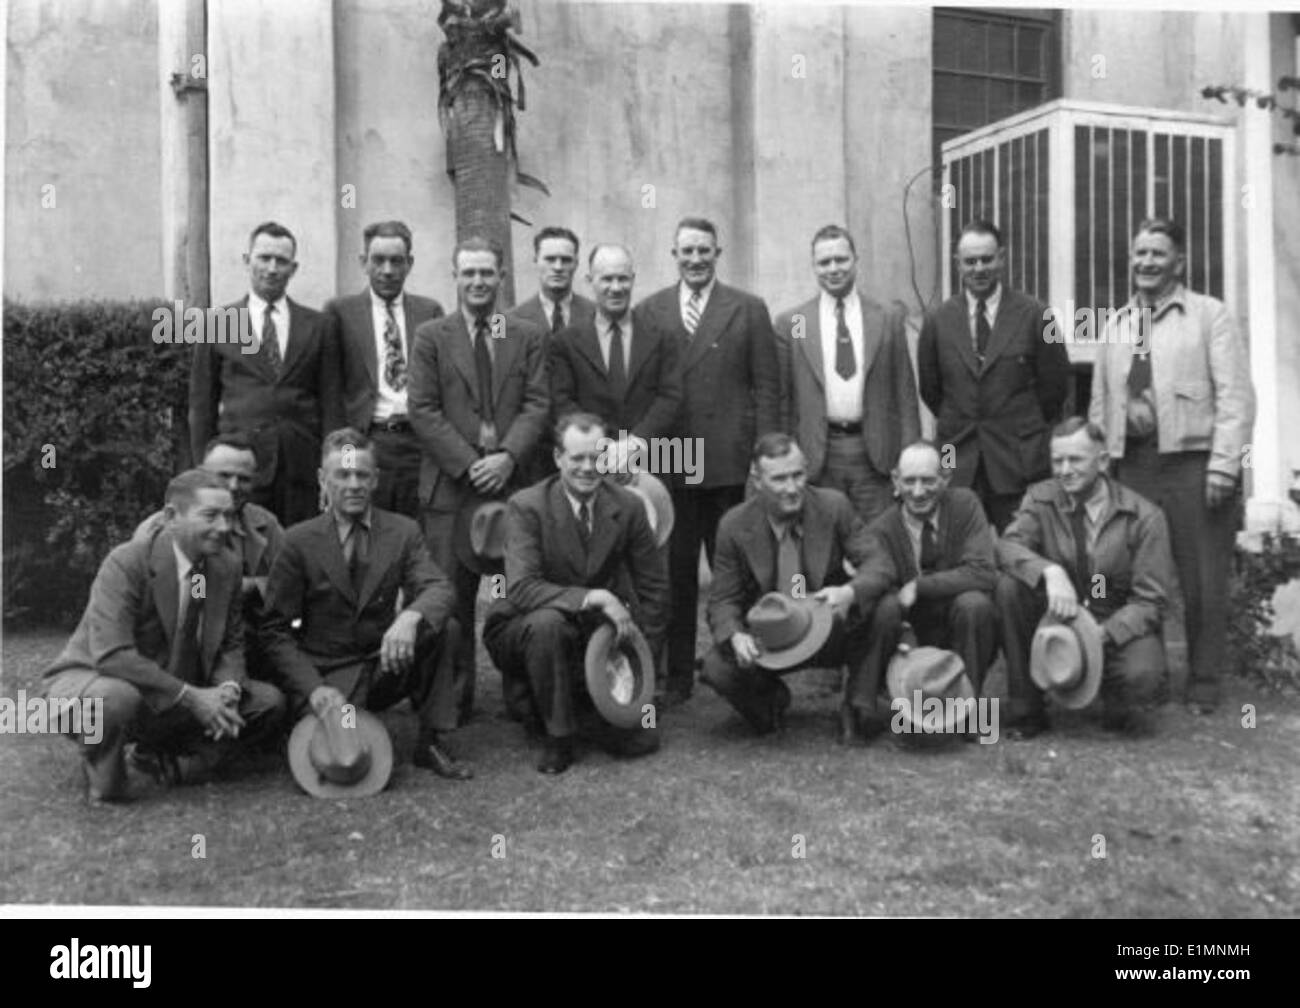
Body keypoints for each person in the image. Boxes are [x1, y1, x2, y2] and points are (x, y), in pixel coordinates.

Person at [1087, 217, 1255, 713]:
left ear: (1179, 262)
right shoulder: (1117, 323)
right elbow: (1100, 401)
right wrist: (1101, 470)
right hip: (1132, 467)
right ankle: (1150, 677)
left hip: (1193, 465)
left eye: (1157, 253)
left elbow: (1236, 398)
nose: (1146, 262)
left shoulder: (1209, 316)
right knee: (1140, 576)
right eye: (1139, 253)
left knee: (1202, 577)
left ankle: (1204, 683)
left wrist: (1225, 465)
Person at [43, 469, 285, 802]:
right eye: (211, 516)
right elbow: (113, 655)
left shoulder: (224, 567)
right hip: (94, 682)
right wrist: (192, 697)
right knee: (114, 700)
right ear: (173, 516)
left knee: (266, 702)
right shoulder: (127, 562)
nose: (224, 528)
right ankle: (105, 775)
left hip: (173, 691)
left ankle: (172, 762)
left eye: (228, 516)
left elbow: (230, 643)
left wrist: (227, 689)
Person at [260, 427, 471, 779]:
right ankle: (316, 725)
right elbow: (274, 631)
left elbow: (439, 587)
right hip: (327, 676)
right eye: (342, 475)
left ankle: (431, 741)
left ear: (375, 479)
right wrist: (313, 689)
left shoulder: (403, 531)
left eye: (362, 474)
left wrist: (410, 617)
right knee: (338, 751)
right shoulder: (298, 540)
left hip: (383, 666)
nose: (354, 484)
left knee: (443, 628)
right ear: (322, 479)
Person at [637, 216, 782, 707]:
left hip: (729, 462)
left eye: (704, 251)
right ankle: (676, 675)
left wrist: (762, 462)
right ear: (673, 255)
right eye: (687, 251)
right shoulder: (650, 310)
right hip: (675, 460)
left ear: (718, 253)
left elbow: (767, 387)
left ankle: (745, 665)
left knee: (737, 575)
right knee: (675, 572)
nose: (696, 259)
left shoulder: (748, 308)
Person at [408, 236, 549, 724]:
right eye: (468, 273)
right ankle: (454, 700)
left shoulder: (527, 336)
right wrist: (471, 464)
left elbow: (538, 403)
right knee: (451, 598)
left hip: (514, 485)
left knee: (518, 593)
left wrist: (508, 457)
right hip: (452, 488)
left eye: (487, 273)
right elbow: (422, 409)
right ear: (454, 276)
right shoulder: (431, 337)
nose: (478, 282)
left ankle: (525, 696)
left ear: (502, 277)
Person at [483, 412, 667, 774]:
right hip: (524, 626)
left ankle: (594, 715)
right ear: (557, 458)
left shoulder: (628, 506)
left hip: (588, 631)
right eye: (577, 458)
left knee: (642, 739)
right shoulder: (526, 505)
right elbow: (521, 588)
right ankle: (559, 735)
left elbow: (654, 589)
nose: (588, 468)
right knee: (549, 624)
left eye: (597, 457)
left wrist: (643, 672)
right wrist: (594, 597)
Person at [996, 417, 1176, 736]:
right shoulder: (1040, 499)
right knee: (1011, 587)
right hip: (1057, 613)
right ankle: (1027, 711)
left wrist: (1103, 633)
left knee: (1141, 678)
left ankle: (1114, 698)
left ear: (1103, 461)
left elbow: (1152, 600)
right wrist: (1049, 572)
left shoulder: (1145, 517)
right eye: (1057, 460)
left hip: (1113, 618)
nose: (1065, 470)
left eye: (1075, 459)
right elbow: (1007, 546)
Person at [700, 433, 878, 742]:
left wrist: (849, 591)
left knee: (884, 606)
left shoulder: (833, 506)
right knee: (716, 667)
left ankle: (857, 706)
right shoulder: (733, 524)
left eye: (798, 475)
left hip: (829, 627)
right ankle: (770, 704)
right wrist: (735, 635)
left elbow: (878, 562)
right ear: (757, 480)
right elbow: (722, 600)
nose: (792, 487)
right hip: (769, 637)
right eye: (779, 479)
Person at [917, 219, 1071, 532]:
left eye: (986, 259)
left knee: (1022, 548)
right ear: (958, 264)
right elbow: (931, 389)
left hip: (1018, 460)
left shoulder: (1040, 315)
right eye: (970, 261)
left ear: (1001, 257)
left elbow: (1056, 385)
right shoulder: (937, 320)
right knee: (962, 553)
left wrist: (1021, 425)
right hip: (959, 459)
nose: (979, 268)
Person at [189, 220, 344, 526]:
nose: (272, 268)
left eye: (281, 261)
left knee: (298, 555)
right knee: (238, 552)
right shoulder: (218, 323)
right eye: (264, 258)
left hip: (301, 467)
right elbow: (201, 405)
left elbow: (332, 404)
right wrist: (202, 471)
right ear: (247, 261)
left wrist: (332, 470)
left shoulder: (319, 326)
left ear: (293, 268)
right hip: (240, 469)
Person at [777, 224, 921, 525]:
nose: (833, 269)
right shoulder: (795, 322)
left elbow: (905, 395)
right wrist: (788, 457)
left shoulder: (887, 317)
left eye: (841, 260)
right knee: (822, 547)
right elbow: (784, 398)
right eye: (824, 262)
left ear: (856, 259)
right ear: (814, 267)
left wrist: (910, 460)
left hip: (875, 455)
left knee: (879, 544)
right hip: (818, 453)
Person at [854, 442, 998, 717]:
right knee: (885, 608)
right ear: (895, 480)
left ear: (945, 478)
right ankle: (873, 703)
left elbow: (983, 571)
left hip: (958, 620)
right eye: (909, 481)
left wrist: (920, 586)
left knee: (975, 604)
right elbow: (883, 592)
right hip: (912, 630)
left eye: (928, 480)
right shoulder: (881, 530)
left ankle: (968, 710)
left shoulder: (965, 504)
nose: (918, 492)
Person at [134, 433, 284, 682]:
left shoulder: (266, 526)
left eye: (244, 479)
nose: (233, 486)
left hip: (244, 644)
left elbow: (289, 585)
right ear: (201, 472)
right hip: (169, 649)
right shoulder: (159, 529)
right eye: (224, 475)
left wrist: (251, 586)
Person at [328, 220, 445, 519]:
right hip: (368, 440)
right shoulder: (340, 312)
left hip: (420, 442)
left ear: (410, 264)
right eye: (378, 260)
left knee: (418, 530)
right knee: (366, 531)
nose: (388, 270)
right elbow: (330, 390)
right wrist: (340, 456)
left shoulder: (429, 312)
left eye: (397, 261)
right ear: (363, 262)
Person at [549, 244, 681, 471]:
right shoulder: (565, 342)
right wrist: (600, 445)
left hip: (653, 460)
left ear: (633, 279)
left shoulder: (662, 335)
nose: (616, 287)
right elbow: (562, 401)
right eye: (607, 279)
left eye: (623, 279)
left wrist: (636, 442)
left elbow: (670, 396)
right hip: (591, 463)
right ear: (590, 280)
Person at [510, 226, 597, 486]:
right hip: (532, 450)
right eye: (550, 259)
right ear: (536, 261)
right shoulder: (507, 320)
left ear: (577, 264)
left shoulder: (597, 315)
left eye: (566, 260)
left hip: (585, 449)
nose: (558, 267)